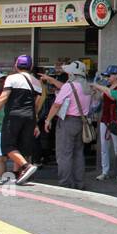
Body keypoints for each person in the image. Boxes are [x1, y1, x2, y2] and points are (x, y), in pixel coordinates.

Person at [0, 54, 43, 184]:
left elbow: (3, 97)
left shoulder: (12, 78)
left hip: (14, 115)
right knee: (22, 147)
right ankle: (19, 175)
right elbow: (36, 105)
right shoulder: (36, 82)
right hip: (29, 117)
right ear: (30, 67)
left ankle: (26, 166)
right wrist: (35, 124)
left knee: (7, 146)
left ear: (16, 65)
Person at [44, 61, 93, 189]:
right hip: (82, 123)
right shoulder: (87, 87)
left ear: (72, 74)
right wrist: (52, 80)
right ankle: (79, 182)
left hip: (67, 121)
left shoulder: (69, 86)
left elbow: (56, 105)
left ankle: (65, 183)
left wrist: (48, 120)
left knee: (64, 154)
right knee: (78, 154)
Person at [94, 66, 117, 180]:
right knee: (104, 148)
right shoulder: (107, 86)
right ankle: (104, 171)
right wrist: (96, 89)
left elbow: (113, 97)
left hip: (115, 120)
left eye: (109, 75)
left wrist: (99, 87)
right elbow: (99, 98)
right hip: (105, 119)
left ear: (116, 75)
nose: (107, 78)